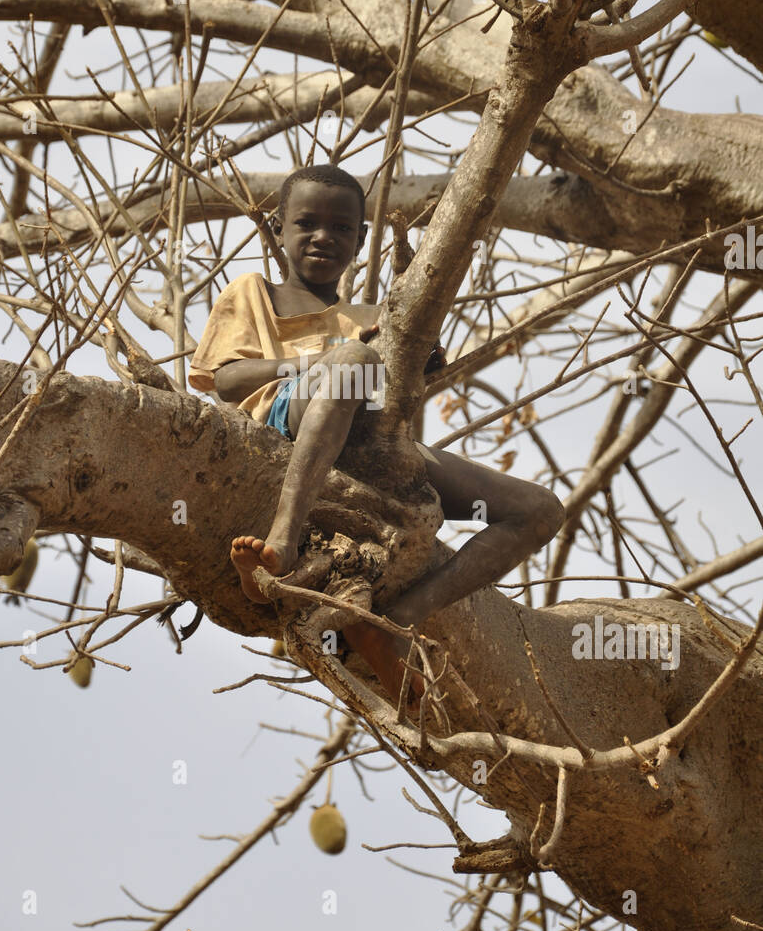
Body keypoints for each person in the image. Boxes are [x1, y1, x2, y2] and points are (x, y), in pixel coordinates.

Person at [188, 164, 564, 706]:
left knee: (538, 509)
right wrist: (331, 360)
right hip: (282, 422)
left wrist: (415, 361)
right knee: (356, 359)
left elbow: (387, 398)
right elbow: (225, 380)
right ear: (276, 229)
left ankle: (393, 621)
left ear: (361, 240)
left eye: (342, 228)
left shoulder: (368, 315)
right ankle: (284, 541)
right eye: (307, 223)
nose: (324, 236)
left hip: (369, 450)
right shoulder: (254, 291)